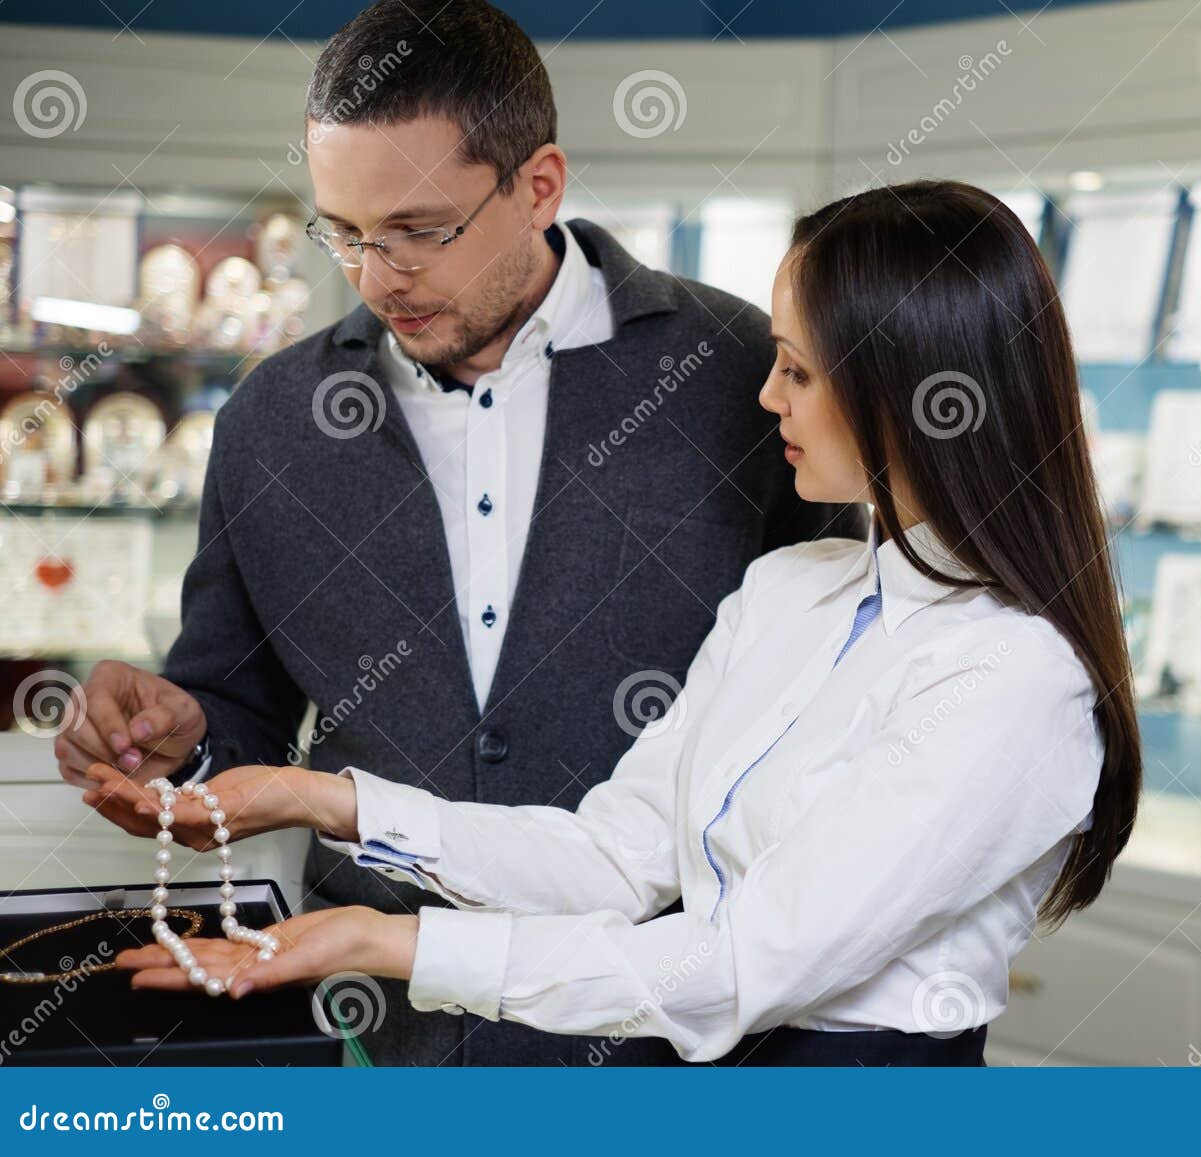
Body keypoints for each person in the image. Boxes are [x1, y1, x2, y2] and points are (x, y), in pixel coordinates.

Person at [97, 180, 1143, 1066]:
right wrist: (322, 797)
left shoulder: (1014, 676)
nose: (766, 395)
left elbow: (735, 965)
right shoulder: (790, 589)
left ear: (912, 392)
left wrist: (382, 941)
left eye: (800, 370)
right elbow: (614, 855)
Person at [64, 0, 855, 1067]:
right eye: (343, 231)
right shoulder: (271, 417)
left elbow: (829, 693)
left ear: (539, 185)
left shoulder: (738, 374)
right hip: (378, 1029)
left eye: (419, 230)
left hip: (666, 1033)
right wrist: (178, 739)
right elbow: (239, 712)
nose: (377, 274)